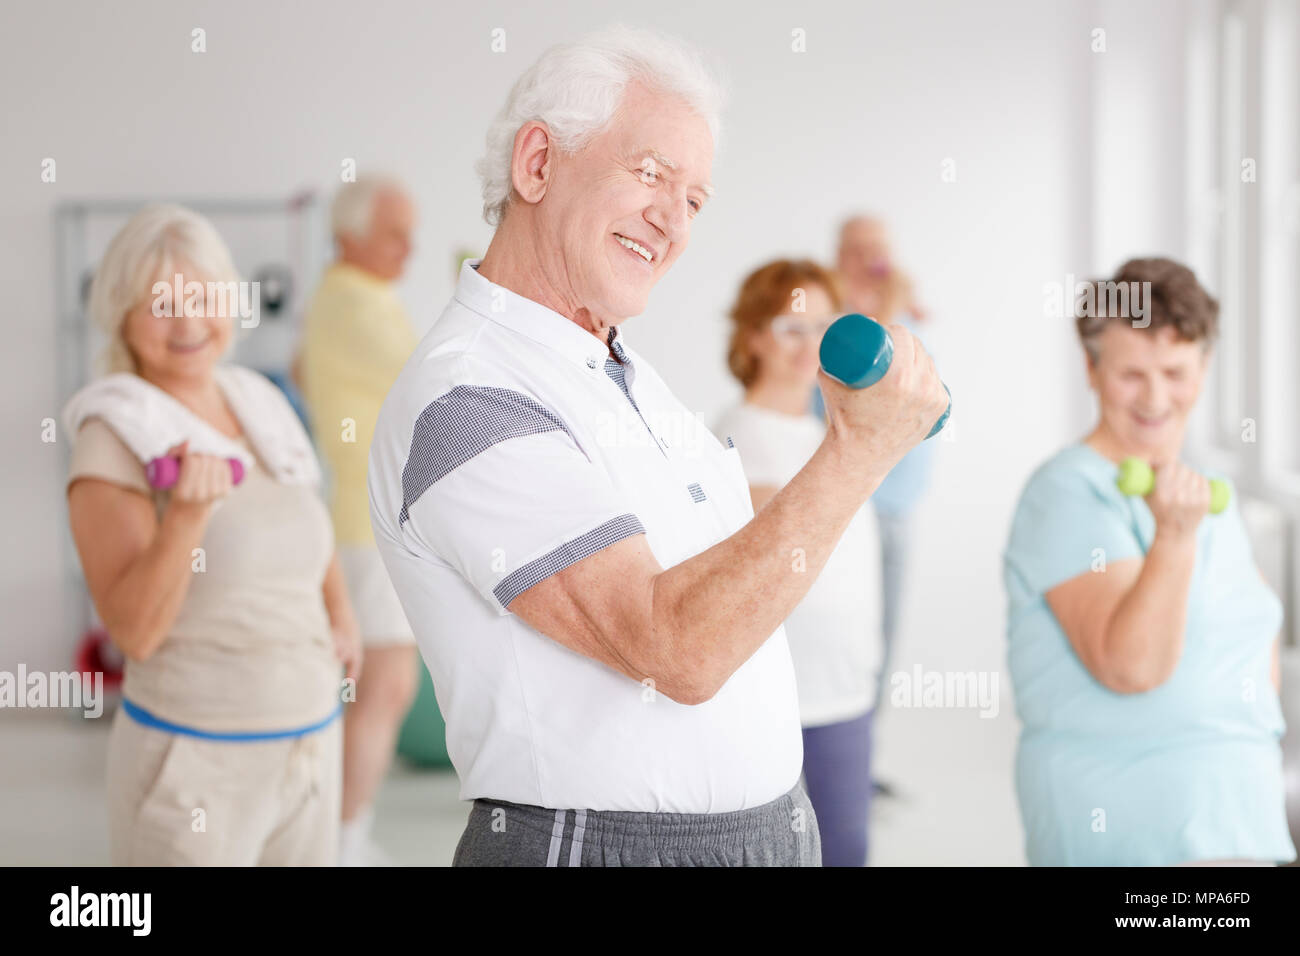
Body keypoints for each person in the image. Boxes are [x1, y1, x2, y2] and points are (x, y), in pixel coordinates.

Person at [367, 25, 948, 867]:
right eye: (649, 173)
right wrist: (857, 452)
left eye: (696, 199)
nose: (673, 220)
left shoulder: (627, 374)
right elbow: (675, 646)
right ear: (537, 165)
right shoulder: (465, 398)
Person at [63, 203, 361, 865]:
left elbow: (303, 518)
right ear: (121, 316)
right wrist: (188, 520)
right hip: (196, 767)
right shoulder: (111, 438)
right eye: (162, 305)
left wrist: (341, 616)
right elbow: (134, 632)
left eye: (204, 296)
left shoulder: (261, 400)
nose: (191, 322)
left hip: (309, 751)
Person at [1003, 257, 1296, 866]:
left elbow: (1250, 643)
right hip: (1131, 835)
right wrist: (1174, 537)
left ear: (1204, 367)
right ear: (1091, 369)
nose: (1156, 398)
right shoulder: (1064, 493)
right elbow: (1133, 666)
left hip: (1235, 822)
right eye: (1132, 374)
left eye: (1174, 371)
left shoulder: (1207, 492)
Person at [714, 259, 884, 866]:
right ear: (753, 335)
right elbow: (770, 548)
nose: (807, 345)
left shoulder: (828, 433)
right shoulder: (736, 434)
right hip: (776, 693)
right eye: (789, 327)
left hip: (845, 684)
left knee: (846, 848)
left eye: (820, 327)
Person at [296, 175, 420, 866]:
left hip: (369, 516)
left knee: (377, 685)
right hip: (368, 523)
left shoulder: (357, 297)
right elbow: (429, 374)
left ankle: (339, 834)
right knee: (385, 684)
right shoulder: (348, 298)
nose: (410, 246)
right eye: (394, 232)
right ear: (349, 236)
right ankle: (339, 842)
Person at [835, 215, 936, 724]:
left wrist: (898, 305)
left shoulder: (903, 311)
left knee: (887, 630)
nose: (870, 258)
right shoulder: (834, 320)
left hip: (899, 502)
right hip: (851, 505)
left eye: (878, 247)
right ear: (840, 254)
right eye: (858, 248)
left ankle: (864, 756)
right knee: (848, 633)